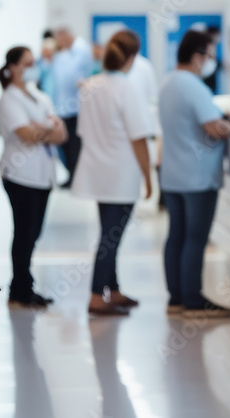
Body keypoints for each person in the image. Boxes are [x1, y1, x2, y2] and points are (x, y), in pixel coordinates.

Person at [71, 30, 153, 316]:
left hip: (98, 172)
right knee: (111, 237)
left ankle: (113, 290)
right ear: (131, 57)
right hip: (121, 173)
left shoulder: (90, 86)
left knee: (109, 233)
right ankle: (96, 295)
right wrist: (148, 176)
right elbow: (139, 137)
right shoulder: (126, 88)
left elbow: (82, 131)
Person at [159, 31, 230, 318]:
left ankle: (176, 298)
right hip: (198, 176)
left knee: (176, 236)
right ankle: (193, 300)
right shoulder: (193, 86)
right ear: (197, 56)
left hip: (173, 175)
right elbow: (213, 127)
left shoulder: (167, 82)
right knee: (195, 237)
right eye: (210, 56)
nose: (211, 63)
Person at [0, 47, 67, 308]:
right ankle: (20, 290)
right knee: (25, 233)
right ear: (13, 67)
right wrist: (46, 128)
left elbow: (62, 135)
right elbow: (26, 135)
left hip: (43, 175)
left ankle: (24, 287)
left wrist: (42, 129)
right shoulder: (9, 99)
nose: (32, 67)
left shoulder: (39, 96)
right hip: (19, 176)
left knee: (34, 233)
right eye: (27, 63)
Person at [50, 26, 93, 187]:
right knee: (65, 146)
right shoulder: (63, 54)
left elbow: (84, 76)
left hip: (77, 108)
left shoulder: (82, 50)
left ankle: (77, 178)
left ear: (65, 36)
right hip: (63, 108)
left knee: (75, 146)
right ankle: (71, 175)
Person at [202, 25, 222, 94]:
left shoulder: (213, 44)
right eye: (217, 35)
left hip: (211, 72)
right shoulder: (207, 44)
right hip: (206, 75)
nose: (218, 37)